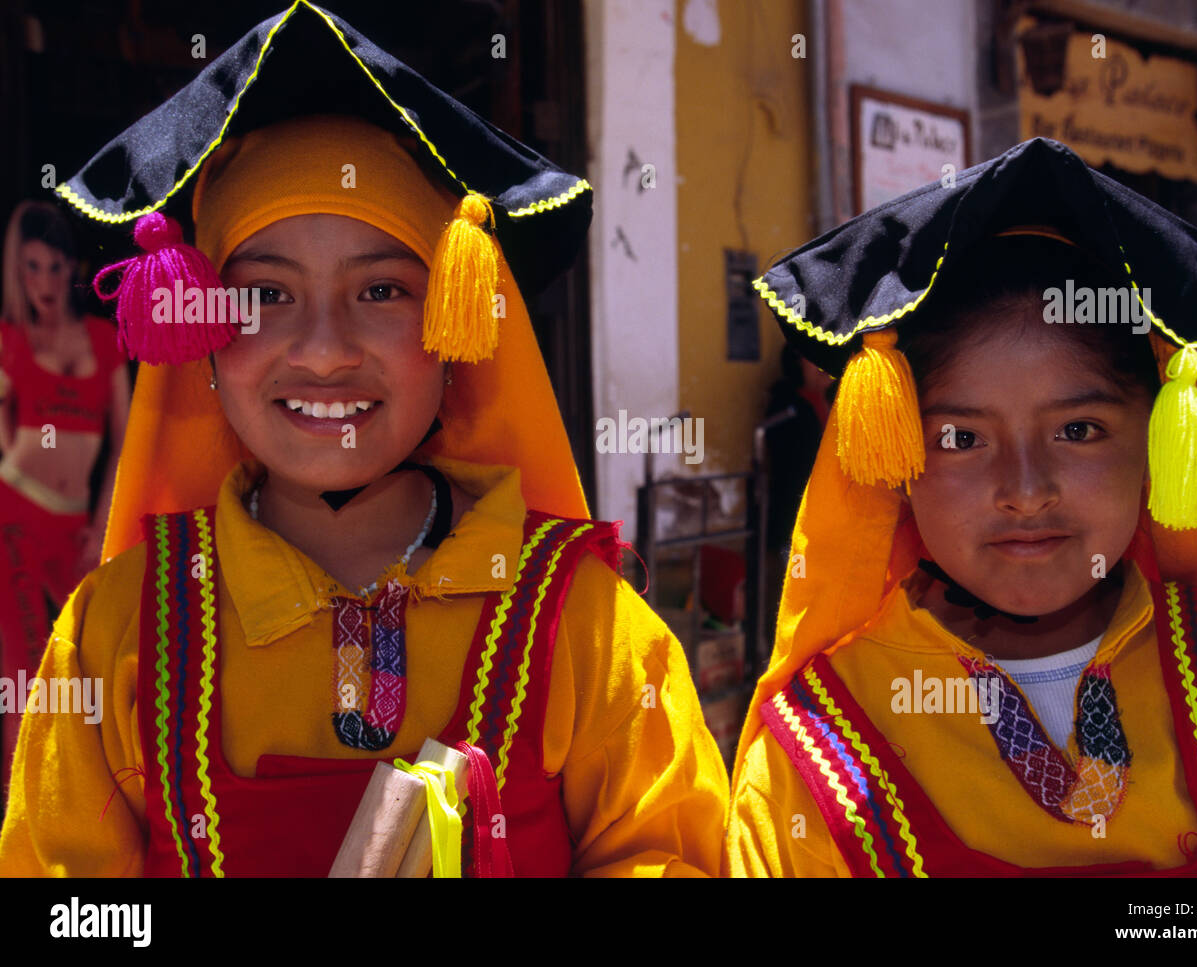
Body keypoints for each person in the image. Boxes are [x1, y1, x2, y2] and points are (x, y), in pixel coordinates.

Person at [0, 2, 727, 876]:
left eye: (382, 291)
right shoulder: (113, 634)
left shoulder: (590, 626)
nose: (322, 350)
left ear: (455, 327)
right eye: (265, 294)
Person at [726, 137, 1197, 876]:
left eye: (1078, 430)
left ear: (1163, 441)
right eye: (962, 438)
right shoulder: (808, 761)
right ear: (895, 454)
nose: (1026, 491)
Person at [0, 200, 130, 802]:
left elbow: (126, 440)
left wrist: (101, 520)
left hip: (80, 526)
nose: (45, 283)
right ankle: (18, 817)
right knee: (21, 674)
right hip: (15, 520)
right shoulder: (9, 340)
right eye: (31, 268)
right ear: (15, 270)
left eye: (55, 268)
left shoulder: (103, 340)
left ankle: (76, 808)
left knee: (84, 669)